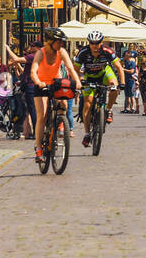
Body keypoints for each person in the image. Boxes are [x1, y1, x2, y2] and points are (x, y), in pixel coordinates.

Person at [28, 29, 80, 164]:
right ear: (51, 42)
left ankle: (60, 123)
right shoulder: (41, 53)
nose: (61, 44)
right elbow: (33, 71)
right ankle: (39, 149)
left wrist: (77, 82)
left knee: (63, 104)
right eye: (59, 41)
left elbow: (70, 68)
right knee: (42, 115)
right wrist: (38, 82)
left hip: (56, 82)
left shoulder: (61, 52)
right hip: (41, 85)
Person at [74, 29, 120, 145]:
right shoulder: (83, 52)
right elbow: (76, 71)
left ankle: (108, 110)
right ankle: (87, 134)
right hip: (89, 77)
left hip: (104, 73)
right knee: (87, 104)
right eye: (92, 43)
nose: (94, 45)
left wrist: (122, 84)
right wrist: (79, 82)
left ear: (101, 42)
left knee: (114, 86)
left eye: (97, 43)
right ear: (88, 43)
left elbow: (119, 67)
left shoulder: (107, 51)